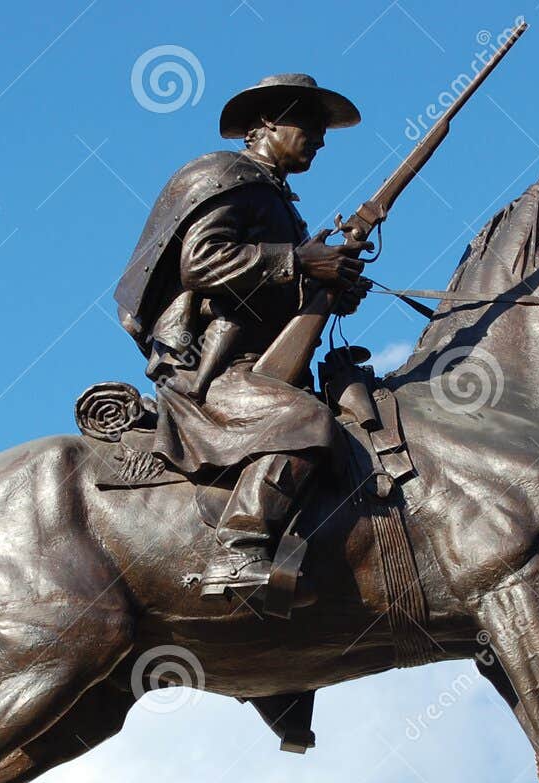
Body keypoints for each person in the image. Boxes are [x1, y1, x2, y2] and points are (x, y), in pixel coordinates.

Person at [115, 74, 369, 599]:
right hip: (216, 366)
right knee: (306, 420)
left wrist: (331, 285)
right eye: (310, 125)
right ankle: (239, 548)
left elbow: (274, 291)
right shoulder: (232, 175)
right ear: (266, 123)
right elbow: (200, 264)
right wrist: (298, 260)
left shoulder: (280, 203)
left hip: (260, 361)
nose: (320, 139)